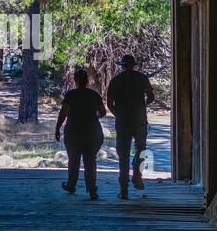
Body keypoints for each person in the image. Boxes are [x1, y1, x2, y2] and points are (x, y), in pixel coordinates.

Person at [106, 53, 155, 200]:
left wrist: (118, 115)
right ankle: (137, 175)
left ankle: (124, 190)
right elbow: (151, 96)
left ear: (122, 66)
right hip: (139, 120)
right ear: (133, 65)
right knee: (141, 149)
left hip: (123, 122)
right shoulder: (141, 78)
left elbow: (109, 104)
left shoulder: (115, 81)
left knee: (123, 155)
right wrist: (143, 106)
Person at [55, 67, 106, 200]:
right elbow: (103, 111)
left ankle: (71, 185)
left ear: (76, 80)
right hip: (93, 132)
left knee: (74, 160)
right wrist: (94, 116)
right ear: (87, 80)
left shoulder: (71, 95)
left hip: (73, 132)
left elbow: (63, 112)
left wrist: (57, 128)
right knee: (90, 161)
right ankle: (92, 190)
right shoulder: (94, 95)